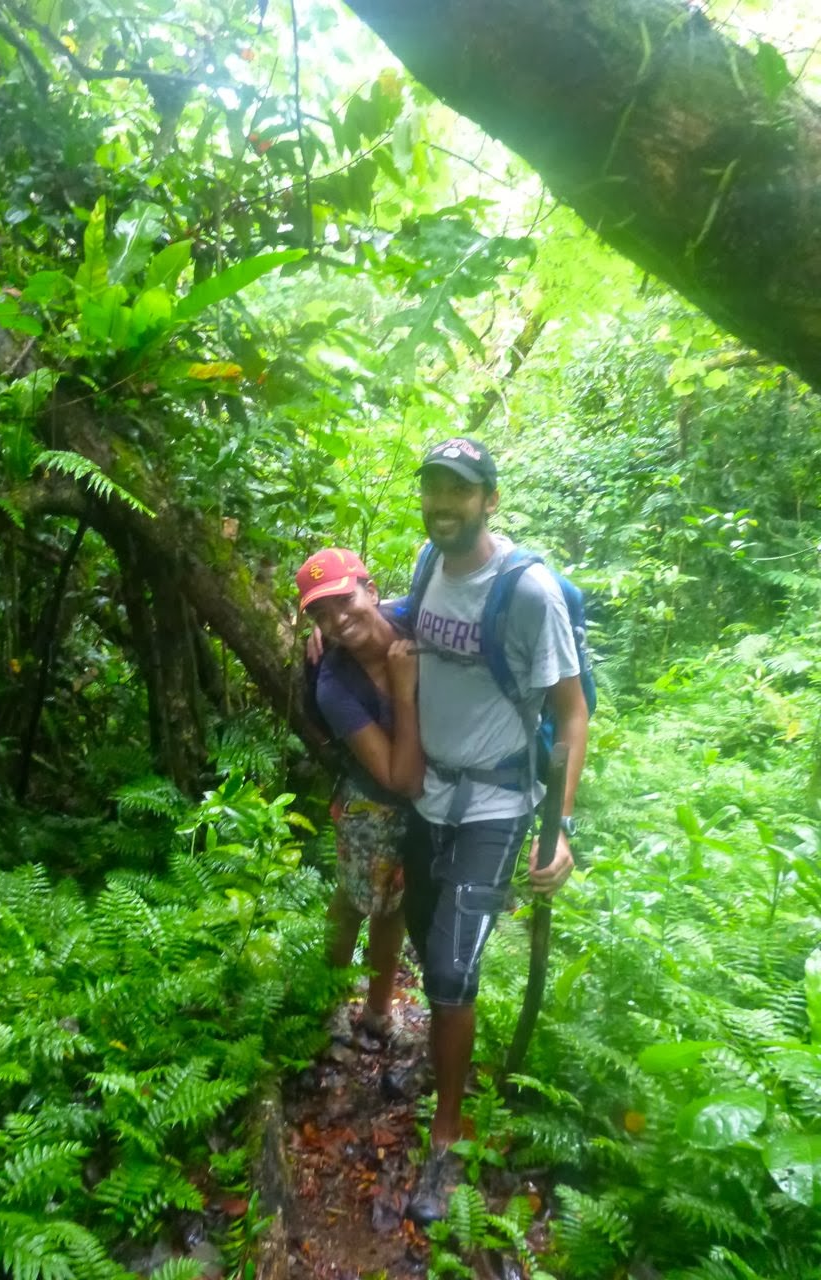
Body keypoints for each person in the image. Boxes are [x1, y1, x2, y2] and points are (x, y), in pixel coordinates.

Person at [403, 435, 588, 1225]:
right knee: (424, 938)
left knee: (450, 972)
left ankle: (447, 1136)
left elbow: (572, 711)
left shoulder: (529, 592)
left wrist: (562, 825)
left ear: (490, 500)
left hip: (498, 804)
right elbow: (409, 632)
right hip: (430, 796)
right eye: (433, 490)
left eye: (459, 491)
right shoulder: (427, 563)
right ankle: (446, 1062)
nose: (443, 505)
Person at [295, 547, 425, 1039]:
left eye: (343, 602)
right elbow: (393, 776)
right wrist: (403, 688)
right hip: (372, 803)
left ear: (372, 591)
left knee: (397, 907)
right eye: (320, 615)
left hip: (428, 801)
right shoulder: (334, 685)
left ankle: (377, 1012)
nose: (337, 620)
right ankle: (331, 1006)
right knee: (354, 901)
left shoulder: (412, 617)